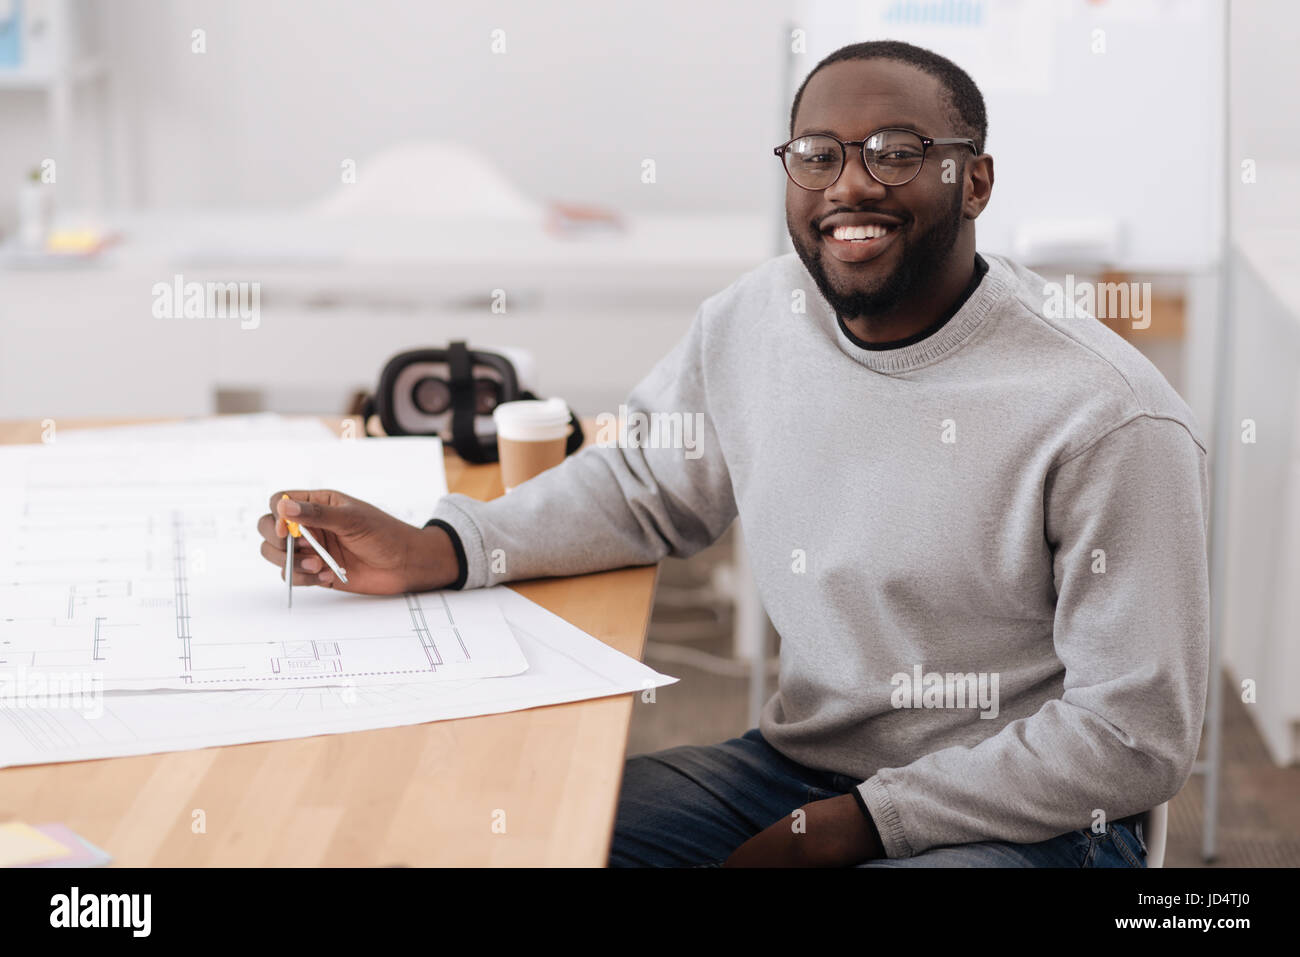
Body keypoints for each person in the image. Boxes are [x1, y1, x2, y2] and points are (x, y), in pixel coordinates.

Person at [256, 41, 1209, 868]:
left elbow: (1132, 734)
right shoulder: (757, 319)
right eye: (818, 154)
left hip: (1031, 817)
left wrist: (863, 824)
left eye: (898, 153)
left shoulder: (1108, 414)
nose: (850, 185)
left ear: (978, 180)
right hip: (799, 765)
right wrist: (441, 547)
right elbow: (641, 486)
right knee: (523, 839)